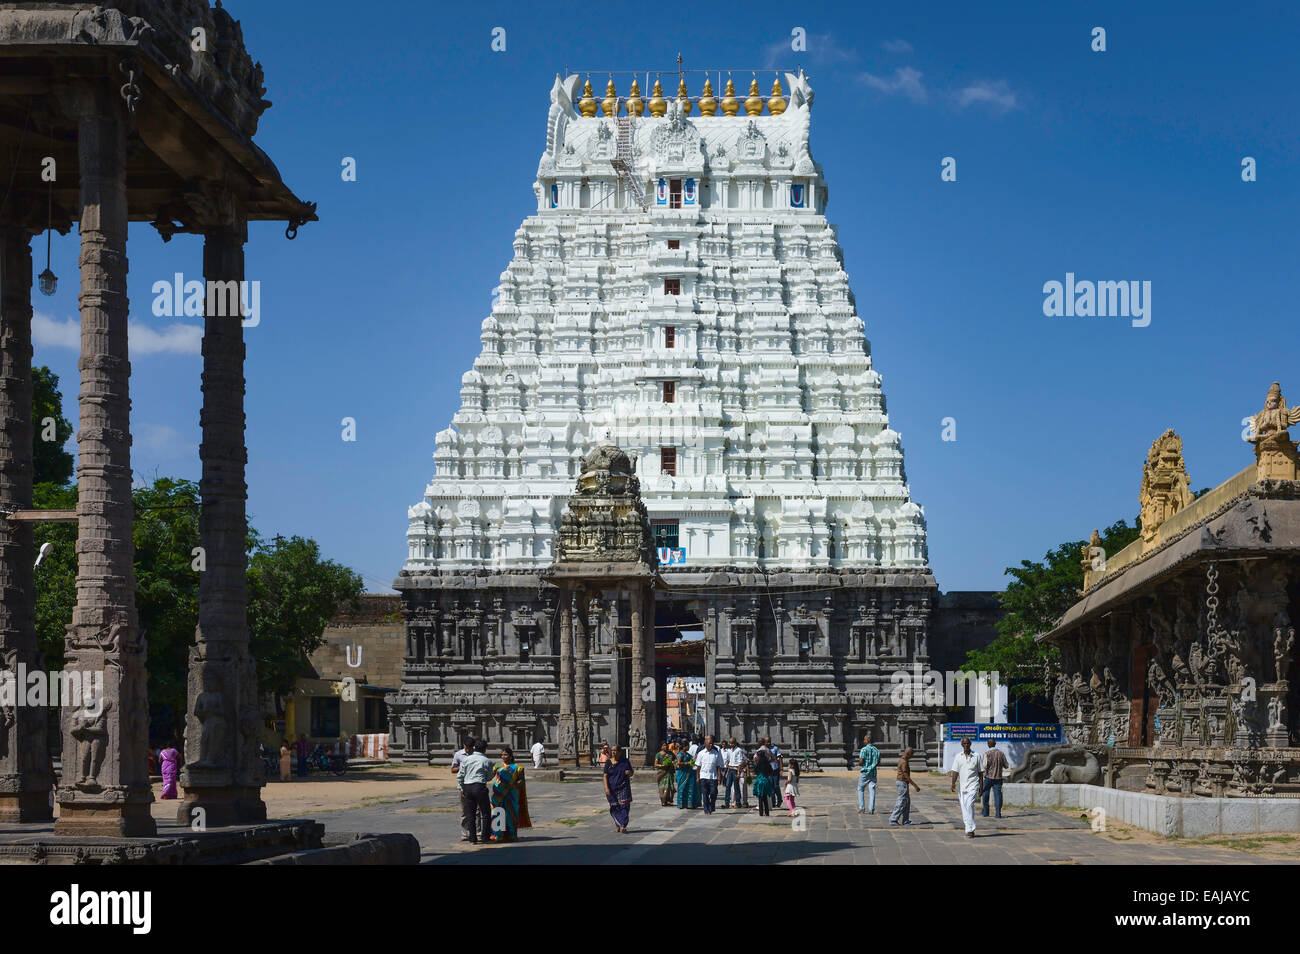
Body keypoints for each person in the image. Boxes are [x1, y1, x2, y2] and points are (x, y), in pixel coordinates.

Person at [489, 747, 531, 842]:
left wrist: (514, 785)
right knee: (497, 812)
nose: (503, 756)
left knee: (511, 813)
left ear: (511, 756)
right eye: (502, 755)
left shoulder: (518, 768)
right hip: (498, 793)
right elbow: (491, 776)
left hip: (511, 794)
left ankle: (511, 834)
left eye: (506, 755)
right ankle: (497, 835)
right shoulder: (497, 766)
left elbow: (522, 781)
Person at [457, 740, 495, 846]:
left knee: (470, 814)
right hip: (479, 787)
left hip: (468, 787)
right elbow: (488, 777)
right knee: (485, 813)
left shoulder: (466, 759)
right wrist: (493, 773)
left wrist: (461, 788)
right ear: (484, 749)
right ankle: (485, 837)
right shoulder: (486, 761)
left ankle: (472, 839)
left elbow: (460, 775)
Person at [950, 737, 982, 838]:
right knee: (965, 809)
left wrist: (981, 786)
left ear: (970, 744)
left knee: (968, 805)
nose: (966, 745)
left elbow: (981, 772)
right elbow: (955, 771)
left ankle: (970, 830)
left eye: (967, 743)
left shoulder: (976, 756)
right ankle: (968, 828)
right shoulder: (958, 757)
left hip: (973, 785)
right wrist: (953, 783)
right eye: (964, 743)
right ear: (962, 745)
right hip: (962, 786)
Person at [604, 744, 635, 832]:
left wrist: (629, 773)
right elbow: (605, 776)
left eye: (615, 750)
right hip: (612, 788)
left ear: (620, 752)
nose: (613, 752)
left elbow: (631, 772)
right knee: (614, 807)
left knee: (624, 806)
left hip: (623, 787)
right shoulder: (608, 762)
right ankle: (618, 825)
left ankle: (623, 825)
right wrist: (606, 788)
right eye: (612, 750)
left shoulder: (625, 761)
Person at [889, 746, 921, 826]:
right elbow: (905, 775)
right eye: (911, 755)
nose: (912, 757)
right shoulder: (904, 762)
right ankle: (893, 819)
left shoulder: (903, 760)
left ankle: (905, 820)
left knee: (907, 803)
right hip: (902, 783)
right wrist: (915, 785)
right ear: (908, 754)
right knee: (901, 801)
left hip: (903, 783)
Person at [451, 738, 475, 842]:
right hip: (463, 786)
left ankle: (477, 832)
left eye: (469, 748)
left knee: (477, 811)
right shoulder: (458, 754)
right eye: (466, 748)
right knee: (465, 811)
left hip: (475, 785)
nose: (467, 750)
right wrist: (463, 766)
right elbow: (453, 769)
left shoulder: (476, 755)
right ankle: (465, 833)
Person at [695, 735, 723, 815]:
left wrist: (719, 777)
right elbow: (698, 767)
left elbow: (718, 766)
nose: (711, 745)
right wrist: (697, 777)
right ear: (705, 743)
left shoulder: (716, 753)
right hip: (703, 776)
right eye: (709, 743)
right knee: (705, 794)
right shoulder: (701, 753)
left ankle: (712, 804)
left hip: (713, 777)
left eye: (712, 743)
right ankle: (707, 809)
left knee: (713, 792)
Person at [980, 739, 1008, 819]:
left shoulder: (987, 754)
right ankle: (998, 813)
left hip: (988, 777)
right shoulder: (1001, 753)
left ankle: (985, 812)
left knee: (985, 793)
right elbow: (1006, 765)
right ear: (995, 744)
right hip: (998, 778)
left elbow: (984, 766)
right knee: (998, 795)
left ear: (988, 744)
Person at [857, 732, 880, 814]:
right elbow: (878, 762)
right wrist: (872, 765)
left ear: (867, 740)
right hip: (873, 772)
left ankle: (862, 808)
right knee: (872, 790)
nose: (864, 741)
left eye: (864, 740)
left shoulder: (863, 749)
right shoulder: (877, 750)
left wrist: (861, 764)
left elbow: (860, 761)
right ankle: (871, 809)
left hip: (865, 772)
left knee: (860, 789)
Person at [674, 742, 697, 810]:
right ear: (684, 747)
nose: (689, 748)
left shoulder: (687, 754)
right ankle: (681, 804)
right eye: (688, 746)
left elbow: (692, 760)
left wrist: (694, 760)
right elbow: (678, 763)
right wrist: (687, 763)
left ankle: (689, 804)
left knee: (689, 788)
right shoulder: (680, 754)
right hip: (682, 773)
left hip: (689, 773)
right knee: (682, 788)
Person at [722, 737, 744, 809]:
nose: (731, 744)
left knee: (736, 787)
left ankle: (738, 803)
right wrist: (727, 772)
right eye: (730, 743)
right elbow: (729, 760)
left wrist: (738, 773)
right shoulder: (729, 750)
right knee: (727, 786)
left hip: (735, 770)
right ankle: (727, 803)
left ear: (735, 743)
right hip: (730, 769)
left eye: (732, 743)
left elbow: (740, 762)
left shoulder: (739, 750)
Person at [752, 744, 774, 816]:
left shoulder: (757, 764)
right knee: (765, 798)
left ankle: (761, 813)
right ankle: (767, 812)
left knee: (760, 799)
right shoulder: (767, 764)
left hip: (759, 781)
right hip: (766, 781)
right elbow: (771, 772)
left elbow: (755, 772)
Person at [655, 742, 676, 806]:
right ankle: (663, 801)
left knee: (669, 787)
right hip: (662, 773)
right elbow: (655, 764)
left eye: (666, 745)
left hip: (669, 773)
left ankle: (669, 801)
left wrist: (672, 762)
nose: (666, 747)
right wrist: (662, 765)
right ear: (661, 747)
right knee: (662, 788)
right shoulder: (658, 754)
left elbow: (676, 761)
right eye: (664, 745)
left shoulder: (671, 754)